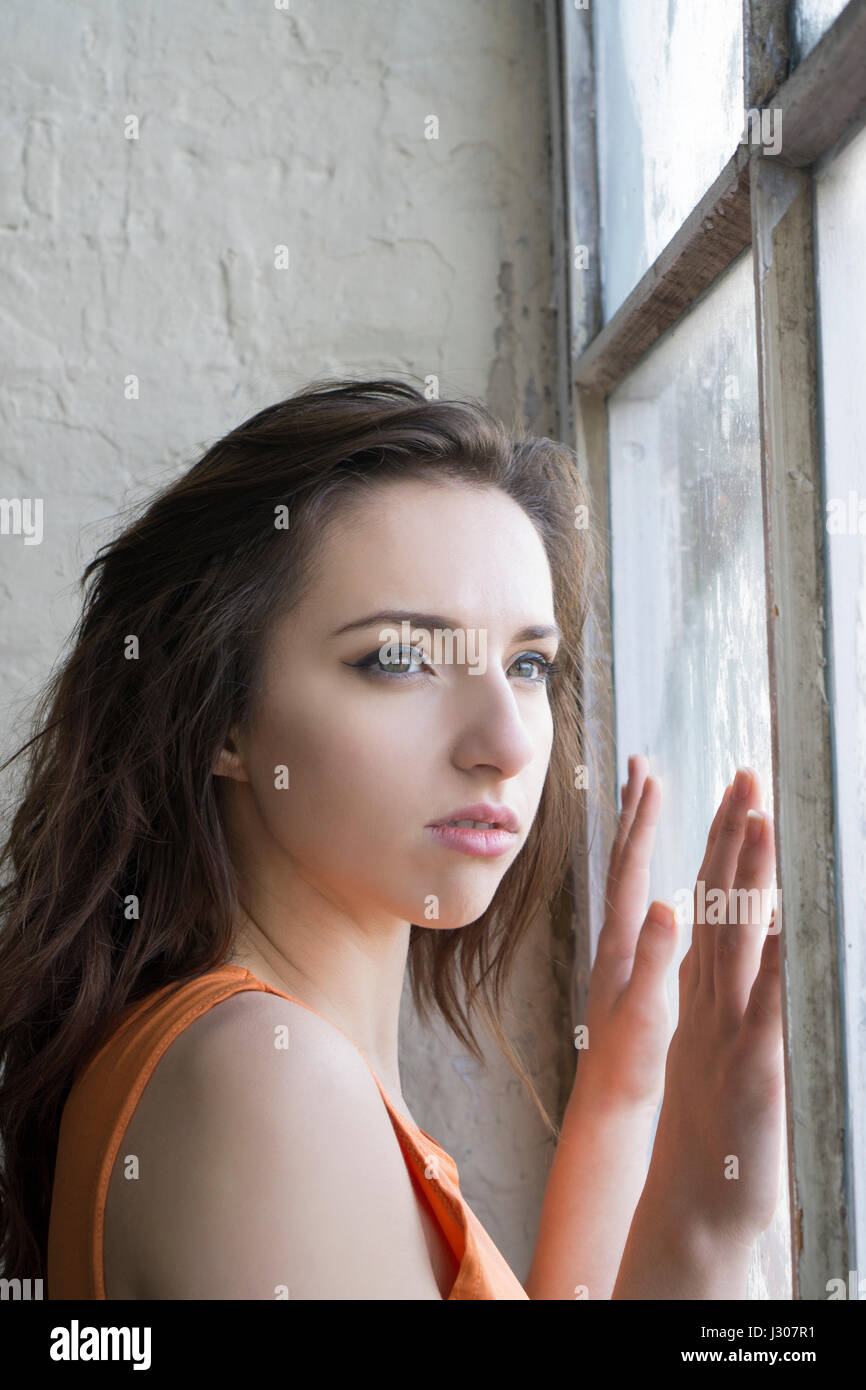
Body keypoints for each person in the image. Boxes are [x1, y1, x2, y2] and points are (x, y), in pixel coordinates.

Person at [0, 377, 782, 1299]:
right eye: (400, 659)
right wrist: (701, 1223)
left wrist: (623, 1097)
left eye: (528, 663)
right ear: (220, 720)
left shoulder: (249, 1059)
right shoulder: (268, 1082)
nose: (506, 744)